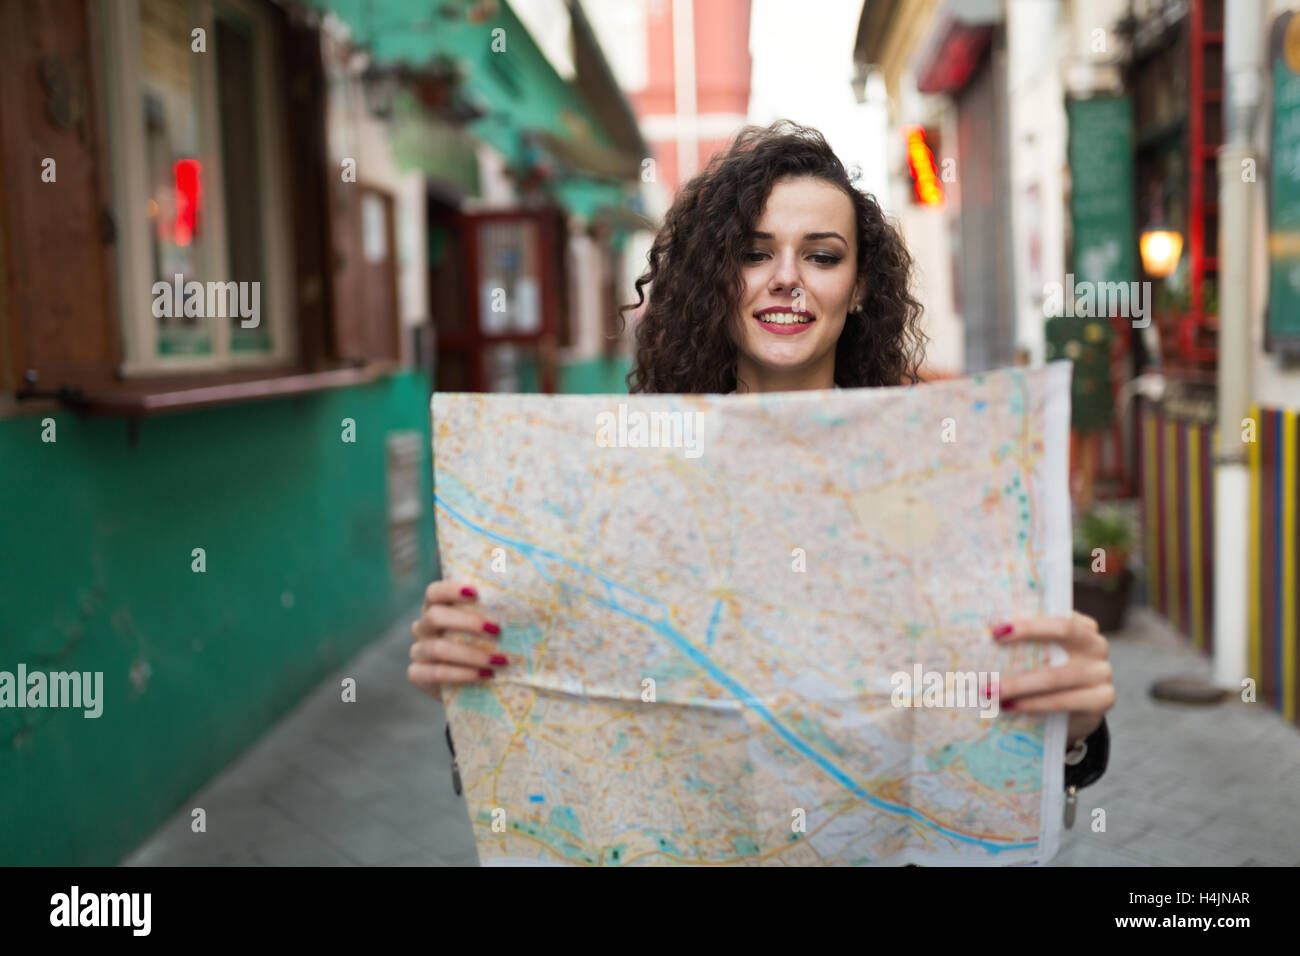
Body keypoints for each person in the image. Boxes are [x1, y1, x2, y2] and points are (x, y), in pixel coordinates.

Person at [410, 121, 1113, 806]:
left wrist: (1072, 729)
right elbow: (557, 721)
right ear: (716, 280)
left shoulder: (939, 481)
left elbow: (982, 725)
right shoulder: (627, 484)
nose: (785, 279)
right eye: (753, 253)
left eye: (823, 255)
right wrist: (473, 690)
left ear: (861, 286)